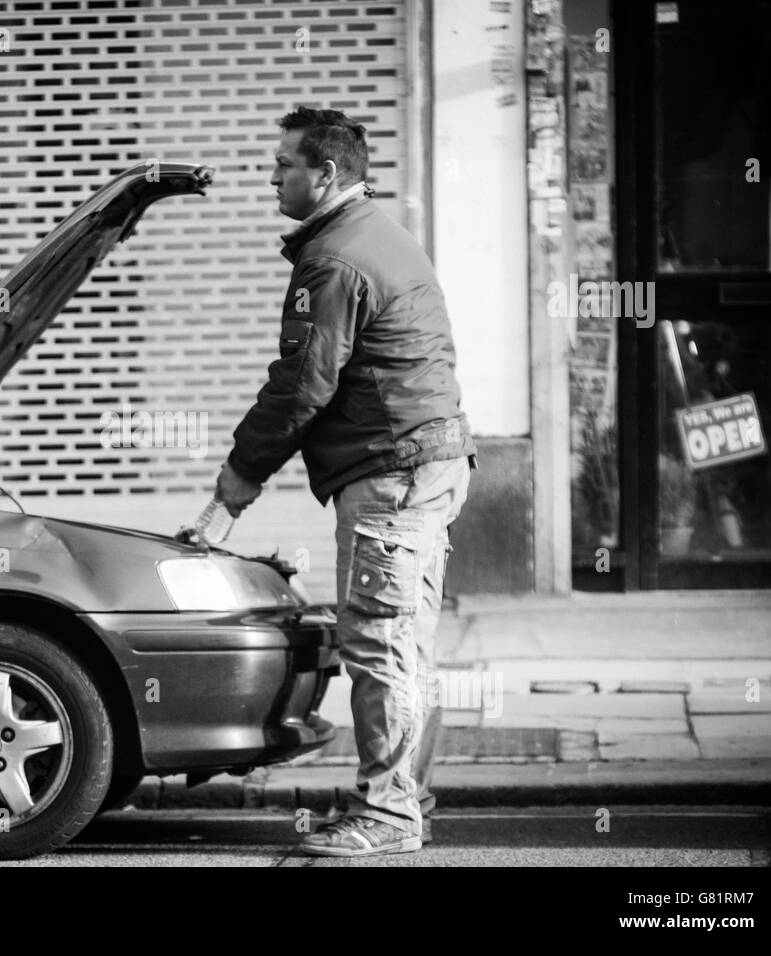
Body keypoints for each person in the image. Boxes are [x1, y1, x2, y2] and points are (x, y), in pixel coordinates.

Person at [215, 106, 476, 856]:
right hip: (427, 461)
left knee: (378, 642)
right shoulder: (372, 235)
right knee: (405, 645)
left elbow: (300, 387)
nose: (272, 174)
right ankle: (405, 798)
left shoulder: (335, 259)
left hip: (392, 469)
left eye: (284, 164)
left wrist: (235, 486)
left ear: (325, 174)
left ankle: (390, 814)